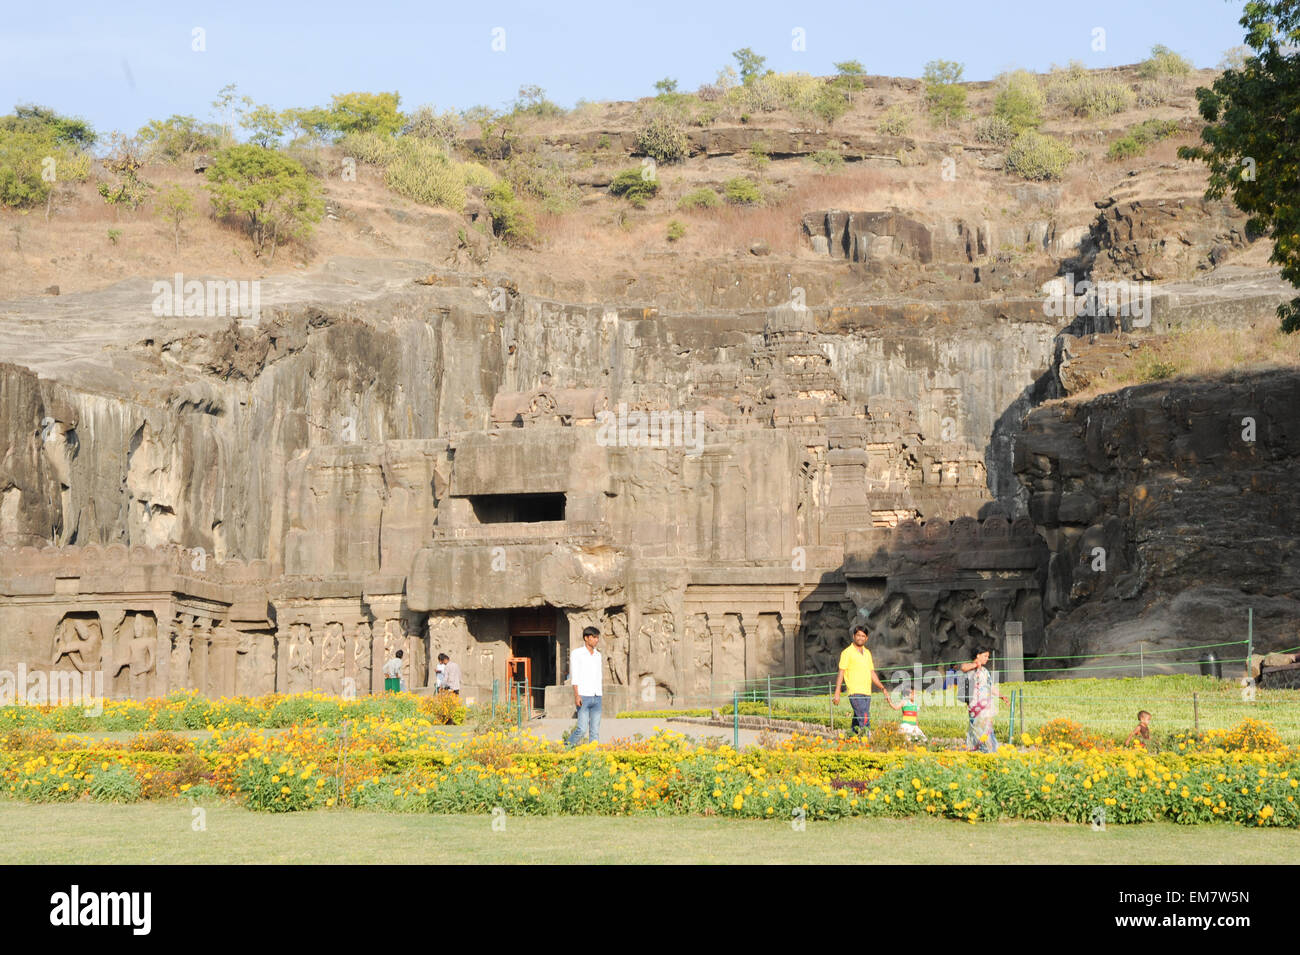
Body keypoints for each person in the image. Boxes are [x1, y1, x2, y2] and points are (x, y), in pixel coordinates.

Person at [832, 624, 889, 738]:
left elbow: (872, 673)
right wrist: (837, 692)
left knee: (858, 719)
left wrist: (883, 688)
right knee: (864, 718)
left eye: (863, 636)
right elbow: (841, 672)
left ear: (866, 638)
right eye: (858, 635)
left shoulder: (867, 653)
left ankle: (851, 739)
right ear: (854, 636)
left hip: (866, 691)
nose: (860, 638)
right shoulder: (847, 652)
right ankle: (867, 741)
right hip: (855, 691)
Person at [961, 649, 1008, 752]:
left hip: (986, 705)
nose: (987, 658)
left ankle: (988, 749)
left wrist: (1002, 696)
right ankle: (976, 749)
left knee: (987, 728)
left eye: (988, 656)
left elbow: (990, 686)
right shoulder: (970, 668)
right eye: (985, 656)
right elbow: (963, 667)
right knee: (976, 728)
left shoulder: (985, 671)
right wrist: (975, 665)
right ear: (978, 655)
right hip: (974, 705)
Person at [566, 626, 602, 747]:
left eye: (597, 637)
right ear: (586, 638)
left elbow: (598, 675)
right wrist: (577, 695)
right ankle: (566, 748)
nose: (596, 640)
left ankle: (594, 758)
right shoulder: (577, 653)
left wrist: (600, 693)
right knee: (581, 729)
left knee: (595, 731)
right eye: (594, 637)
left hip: (597, 696)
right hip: (583, 696)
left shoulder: (598, 655)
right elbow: (574, 675)